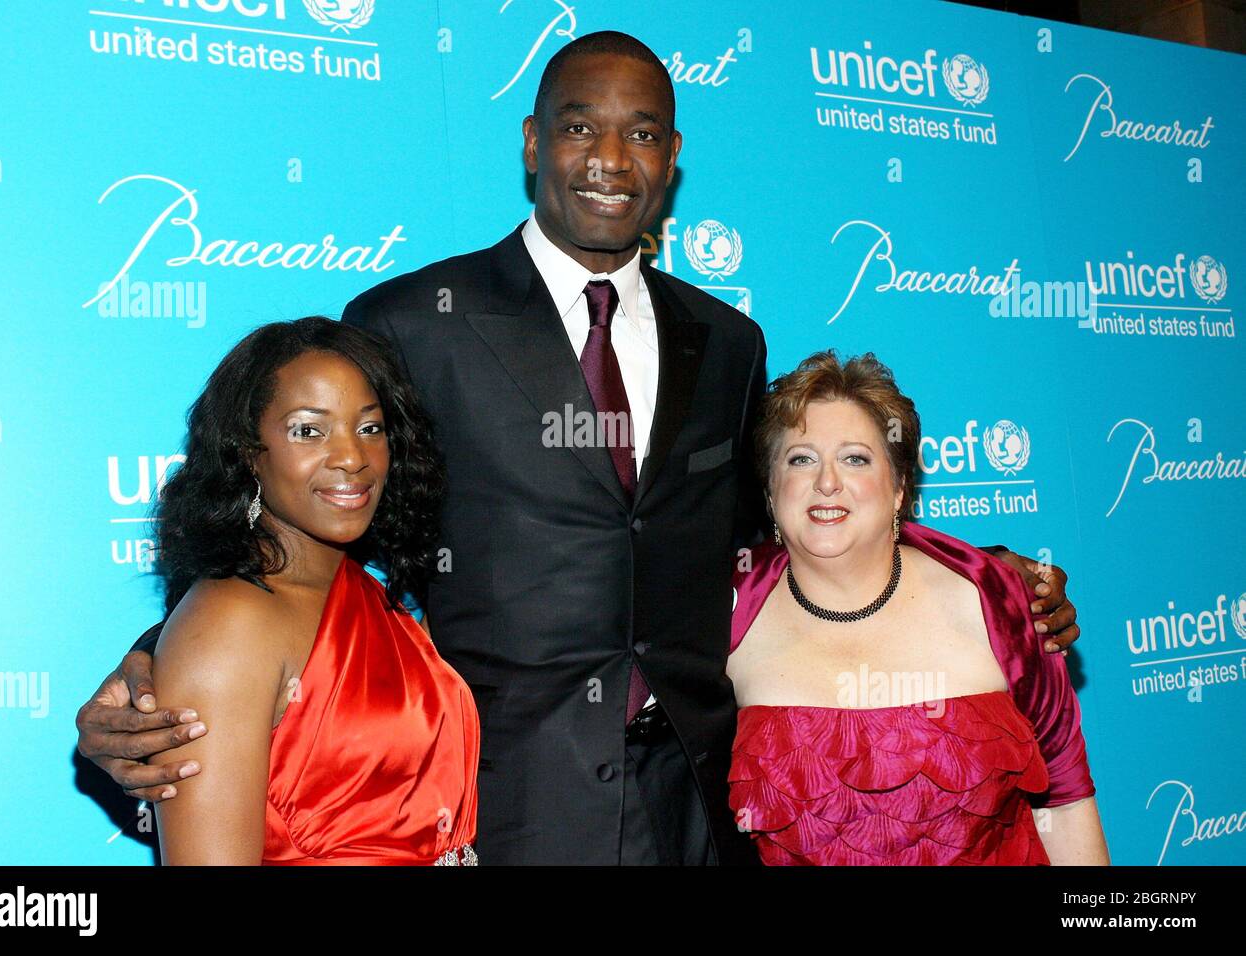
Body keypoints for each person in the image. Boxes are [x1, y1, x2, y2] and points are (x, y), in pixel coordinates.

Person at [75, 32, 1079, 865]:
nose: (611, 157)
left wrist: (989, 585)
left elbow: (773, 539)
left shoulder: (726, 341)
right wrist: (158, 663)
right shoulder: (418, 319)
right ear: (531, 143)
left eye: (641, 132)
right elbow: (318, 520)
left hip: (701, 801)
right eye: (579, 126)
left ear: (671, 157)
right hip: (501, 801)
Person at [727, 351, 1108, 865]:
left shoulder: (1000, 603)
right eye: (800, 459)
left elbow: (1062, 805)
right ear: (771, 494)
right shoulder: (724, 617)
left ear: (900, 487)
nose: (827, 482)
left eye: (855, 458)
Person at [141, 317, 477, 865]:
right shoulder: (231, 620)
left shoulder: (372, 595)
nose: (352, 457)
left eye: (369, 427)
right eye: (308, 430)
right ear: (248, 451)